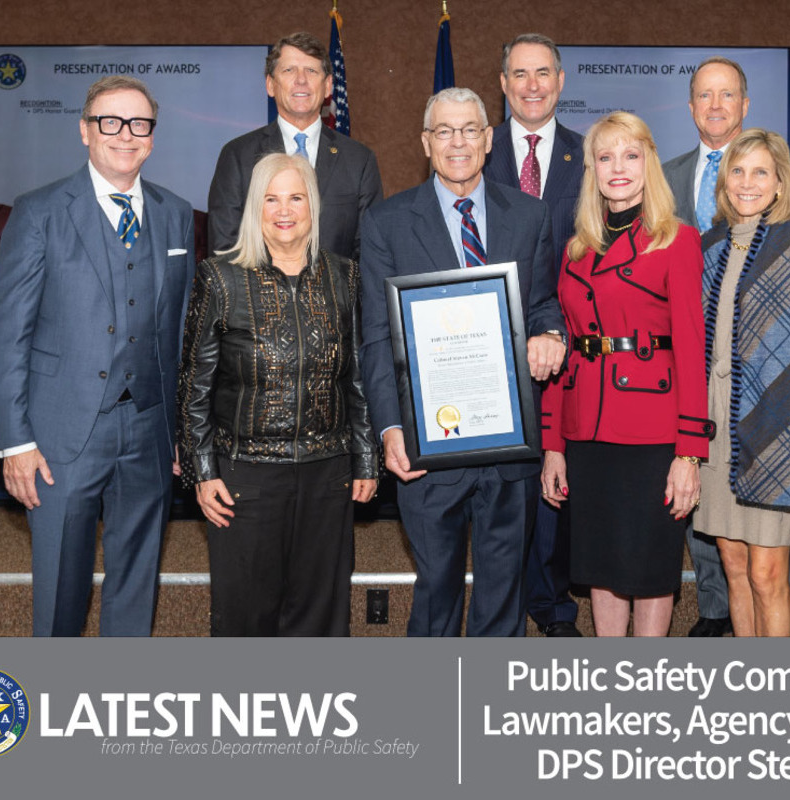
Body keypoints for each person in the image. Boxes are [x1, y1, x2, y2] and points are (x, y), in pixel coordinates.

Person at [0, 76, 195, 636]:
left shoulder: (177, 215)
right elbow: (9, 334)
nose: (124, 135)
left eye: (138, 124)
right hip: (59, 435)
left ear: (152, 137)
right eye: (110, 122)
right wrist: (16, 441)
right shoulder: (40, 212)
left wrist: (181, 431)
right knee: (60, 585)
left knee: (136, 583)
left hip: (150, 430)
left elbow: (177, 332)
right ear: (85, 131)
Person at [360, 87, 566, 637]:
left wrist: (552, 335)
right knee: (436, 591)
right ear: (426, 143)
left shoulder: (529, 215)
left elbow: (545, 302)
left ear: (489, 138)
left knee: (504, 593)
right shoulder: (387, 222)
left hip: (509, 440)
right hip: (429, 444)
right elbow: (377, 336)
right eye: (445, 132)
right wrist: (390, 427)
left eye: (470, 130)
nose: (458, 142)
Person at [179, 152, 378, 637]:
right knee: (246, 613)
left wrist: (366, 459)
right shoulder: (219, 278)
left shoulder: (345, 276)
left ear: (313, 204)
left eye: (295, 197)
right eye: (271, 198)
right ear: (255, 207)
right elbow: (194, 386)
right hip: (245, 476)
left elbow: (357, 377)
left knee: (321, 612)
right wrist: (202, 473)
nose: (284, 210)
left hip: (327, 474)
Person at [662, 55, 790, 637]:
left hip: (775, 408)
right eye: (705, 95)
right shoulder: (671, 179)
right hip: (710, 408)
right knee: (728, 557)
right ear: (691, 106)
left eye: (727, 94)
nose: (716, 105)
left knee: (768, 568)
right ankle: (720, 629)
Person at [540, 111, 709, 637]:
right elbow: (562, 355)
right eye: (606, 157)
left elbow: (691, 351)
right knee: (600, 569)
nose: (618, 168)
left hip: (652, 432)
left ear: (648, 163)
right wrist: (554, 445)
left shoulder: (677, 240)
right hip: (585, 430)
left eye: (630, 155)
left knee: (650, 570)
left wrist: (689, 453)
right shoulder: (575, 250)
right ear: (592, 168)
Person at [696, 129, 790, 637]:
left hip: (777, 421)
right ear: (724, 181)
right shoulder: (708, 245)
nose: (747, 183)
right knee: (732, 566)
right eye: (737, 171)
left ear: (779, 184)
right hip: (715, 425)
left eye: (760, 172)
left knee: (767, 572)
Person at [482, 32, 585, 638]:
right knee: (501, 486)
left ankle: (553, 605)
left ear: (561, 80)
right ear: (502, 84)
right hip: (487, 348)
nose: (531, 85)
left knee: (556, 478)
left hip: (566, 347)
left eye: (543, 72)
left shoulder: (588, 153)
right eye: (519, 74)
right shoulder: (478, 150)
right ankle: (506, 603)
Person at [208, 32, 382, 259]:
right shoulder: (237, 155)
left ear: (328, 86)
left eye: (311, 70)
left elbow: (370, 252)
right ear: (270, 85)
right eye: (289, 70)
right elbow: (224, 247)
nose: (301, 79)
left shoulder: (360, 160)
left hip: (338, 293)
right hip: (256, 293)